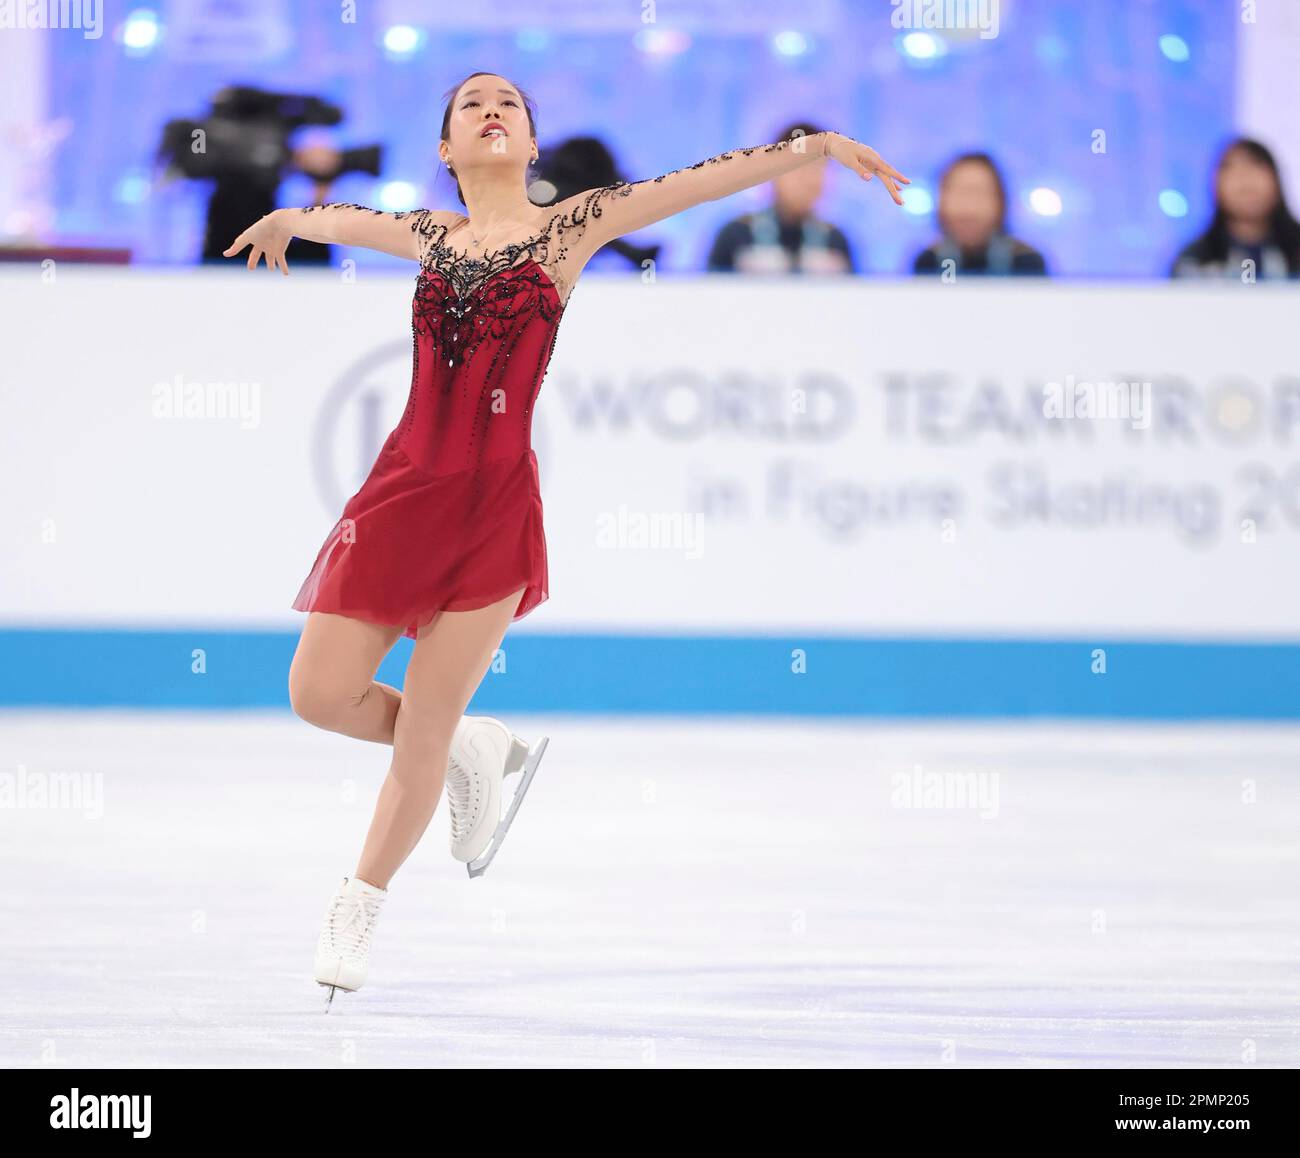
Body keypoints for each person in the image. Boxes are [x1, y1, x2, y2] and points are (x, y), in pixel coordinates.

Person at [223, 71, 908, 1006]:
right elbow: (341, 218)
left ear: (533, 145)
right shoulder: (427, 234)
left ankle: (360, 902)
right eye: (470, 103)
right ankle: (469, 747)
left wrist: (814, 146)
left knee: (420, 727)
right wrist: (283, 221)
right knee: (316, 694)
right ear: (445, 148)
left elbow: (697, 181)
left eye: (510, 103)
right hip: (400, 495)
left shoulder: (569, 228)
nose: (492, 109)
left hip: (494, 505)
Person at [706, 121, 857, 274]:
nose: (810, 179)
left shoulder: (835, 241)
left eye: (819, 167)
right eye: (799, 167)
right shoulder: (736, 235)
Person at [1171, 137, 1300, 280]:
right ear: (1216, 187)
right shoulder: (1194, 261)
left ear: (1276, 182)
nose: (1245, 179)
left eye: (1255, 165)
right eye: (1231, 169)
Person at [912, 151, 1046, 277]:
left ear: (1000, 202)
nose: (970, 209)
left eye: (979, 194)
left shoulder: (1026, 262)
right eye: (960, 195)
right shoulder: (928, 261)